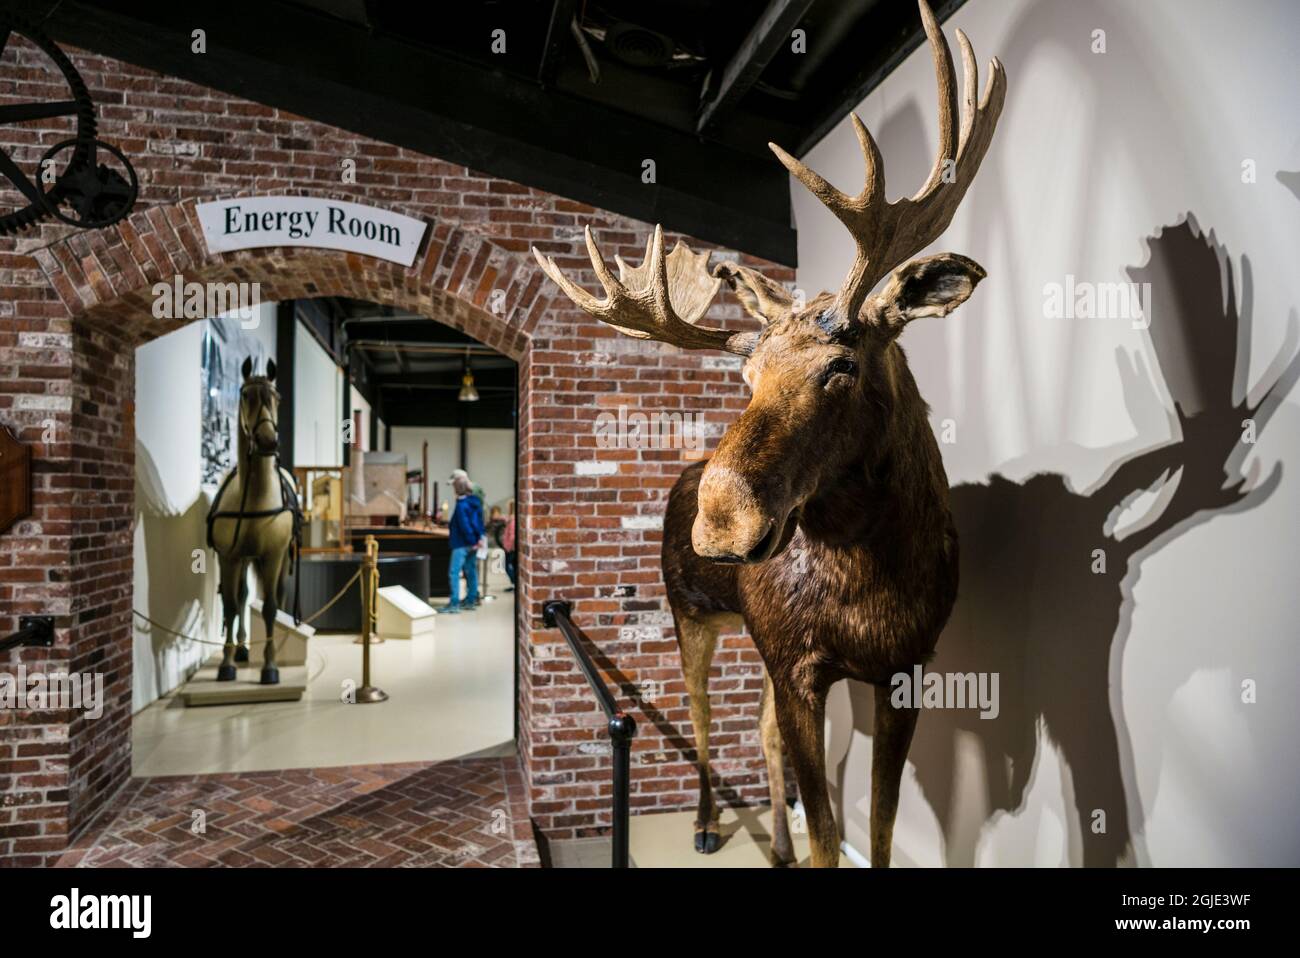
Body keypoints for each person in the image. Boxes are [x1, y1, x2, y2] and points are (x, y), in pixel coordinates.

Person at [439, 474, 485, 614]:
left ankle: (454, 603)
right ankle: (471, 601)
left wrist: (470, 539)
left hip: (461, 543)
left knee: (454, 572)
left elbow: (464, 525)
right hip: (474, 543)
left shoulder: (461, 505)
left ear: (457, 489)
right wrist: (477, 540)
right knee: (471, 571)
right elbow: (478, 522)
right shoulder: (475, 502)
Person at [502, 499, 516, 590]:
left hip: (510, 548)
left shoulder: (512, 521)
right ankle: (514, 583)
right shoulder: (510, 519)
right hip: (509, 547)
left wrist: (509, 547)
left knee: (507, 566)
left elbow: (512, 535)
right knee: (512, 566)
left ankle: (514, 582)